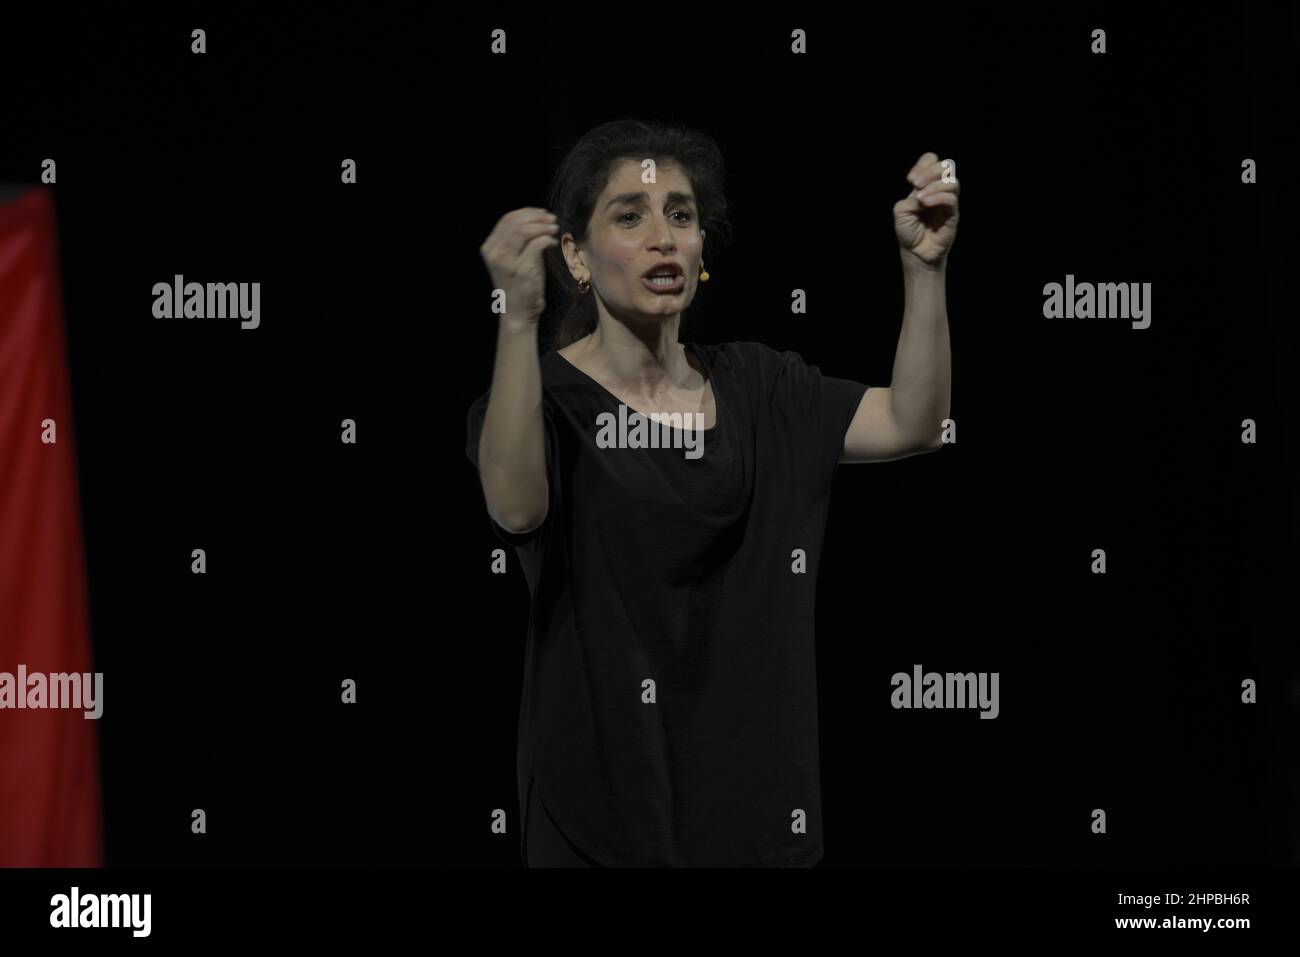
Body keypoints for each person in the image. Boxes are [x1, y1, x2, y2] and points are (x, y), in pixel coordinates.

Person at [466, 119, 957, 867]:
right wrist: (517, 317)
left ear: (702, 251)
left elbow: (916, 421)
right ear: (576, 256)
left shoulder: (762, 388)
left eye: (682, 215)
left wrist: (924, 270)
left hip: (753, 811)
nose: (664, 236)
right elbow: (516, 507)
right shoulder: (543, 403)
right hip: (597, 814)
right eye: (629, 215)